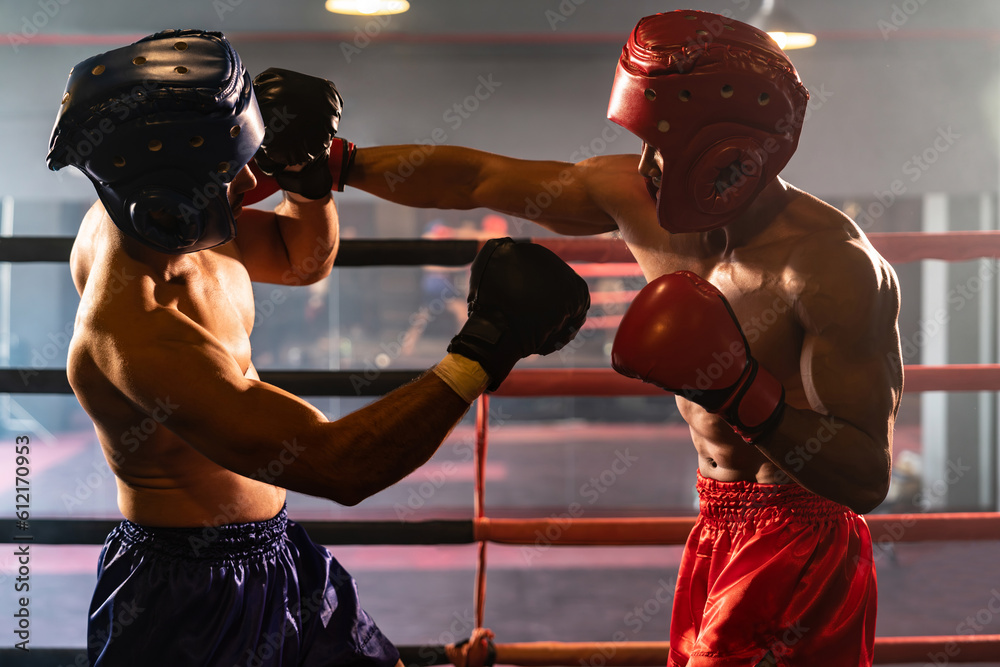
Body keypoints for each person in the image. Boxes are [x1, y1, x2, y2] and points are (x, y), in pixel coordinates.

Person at [330, 10, 902, 667]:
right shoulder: (640, 197)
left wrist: (743, 393)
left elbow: (866, 476)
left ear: (731, 150)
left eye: (670, 146)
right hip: (712, 524)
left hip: (803, 539)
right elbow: (477, 179)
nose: (648, 165)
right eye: (644, 141)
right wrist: (339, 164)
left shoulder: (831, 265)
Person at [46, 29, 589, 666]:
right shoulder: (134, 333)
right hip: (189, 597)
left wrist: (306, 179)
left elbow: (299, 259)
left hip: (281, 554)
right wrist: (482, 352)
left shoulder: (168, 227)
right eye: (230, 170)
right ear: (166, 194)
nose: (251, 178)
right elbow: (341, 467)